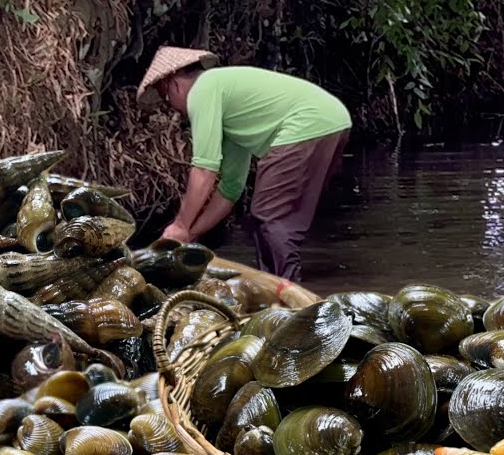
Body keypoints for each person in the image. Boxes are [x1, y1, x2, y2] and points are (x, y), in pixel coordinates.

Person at [136, 46, 352, 282]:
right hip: (333, 121)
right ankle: (278, 285)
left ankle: (285, 290)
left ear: (173, 84)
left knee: (268, 215)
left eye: (166, 98)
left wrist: (179, 224)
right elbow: (231, 189)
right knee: (278, 218)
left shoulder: (203, 89)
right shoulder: (228, 104)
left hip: (306, 124)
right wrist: (190, 234)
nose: (173, 109)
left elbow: (204, 170)